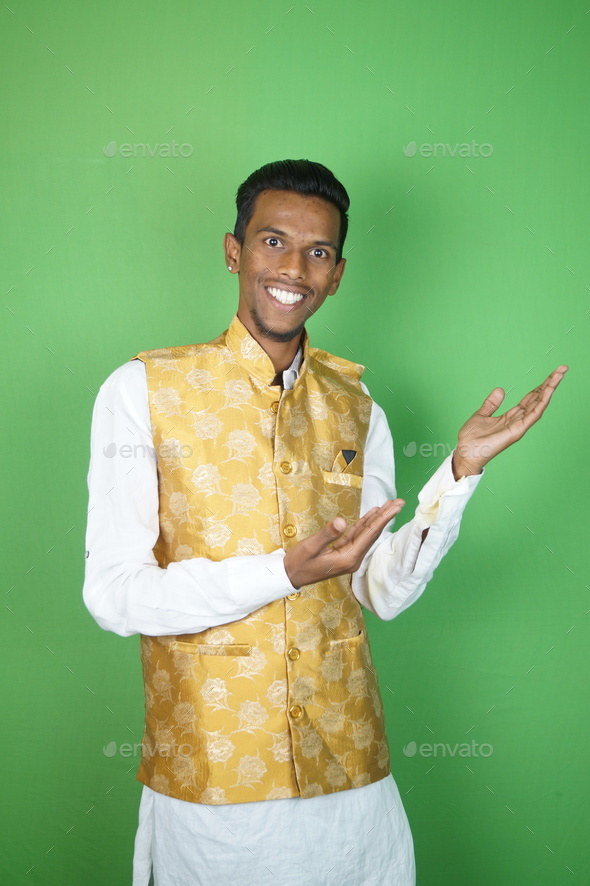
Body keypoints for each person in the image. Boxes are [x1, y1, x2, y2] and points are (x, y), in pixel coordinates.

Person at [82, 159, 567, 886]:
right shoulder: (144, 390)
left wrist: (460, 474)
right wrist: (281, 574)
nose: (294, 269)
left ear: (337, 274)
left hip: (351, 774)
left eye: (317, 253)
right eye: (273, 241)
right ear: (233, 250)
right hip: (215, 779)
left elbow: (380, 590)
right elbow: (115, 594)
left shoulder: (355, 405)